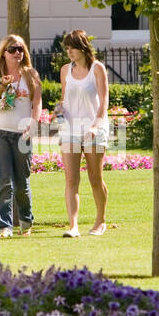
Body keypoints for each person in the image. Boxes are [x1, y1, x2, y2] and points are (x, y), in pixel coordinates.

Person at [0, 35, 42, 238]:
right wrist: (2, 86)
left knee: (21, 182)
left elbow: (37, 102)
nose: (18, 52)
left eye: (20, 49)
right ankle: (4, 226)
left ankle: (26, 220)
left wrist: (34, 124)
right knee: (3, 181)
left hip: (22, 134)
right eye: (13, 49)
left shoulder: (31, 75)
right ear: (4, 53)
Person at [57, 29, 110, 237]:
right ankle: (73, 226)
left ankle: (100, 221)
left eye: (72, 47)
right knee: (71, 179)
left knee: (95, 177)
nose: (69, 51)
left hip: (94, 130)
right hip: (70, 130)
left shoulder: (97, 69)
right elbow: (64, 98)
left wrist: (96, 125)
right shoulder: (64, 70)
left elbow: (104, 100)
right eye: (67, 47)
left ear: (83, 47)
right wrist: (58, 114)